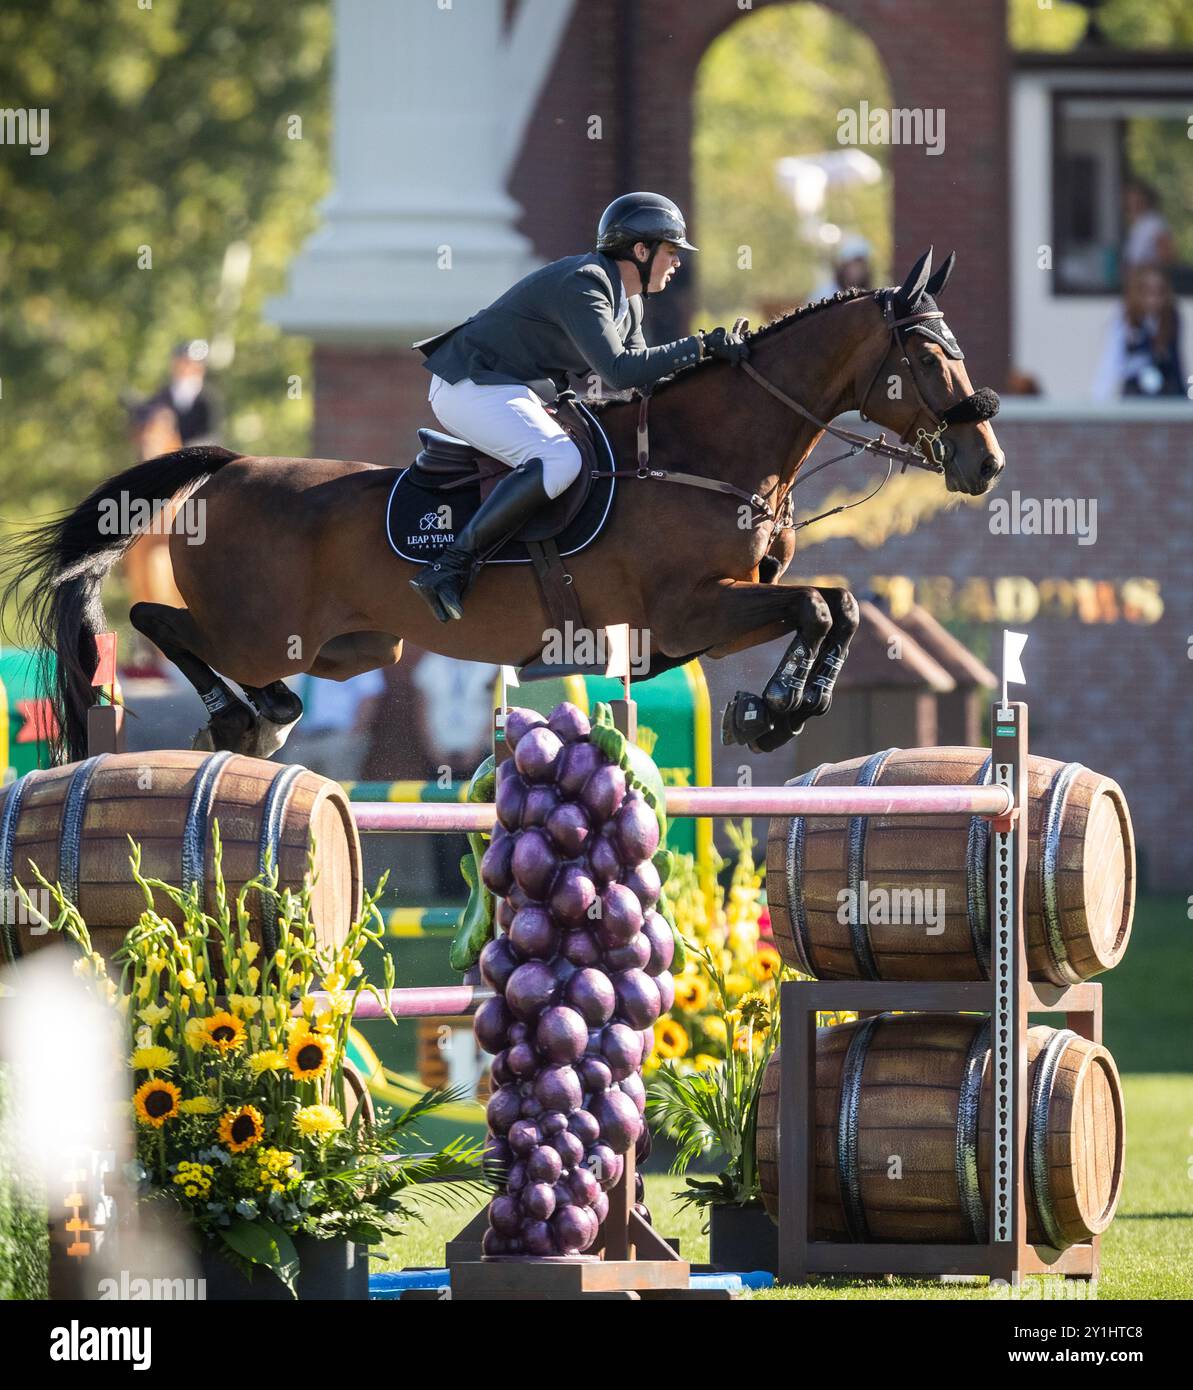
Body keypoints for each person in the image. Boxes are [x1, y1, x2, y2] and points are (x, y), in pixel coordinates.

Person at [408, 192, 750, 622]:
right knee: (558, 456)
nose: (678, 262)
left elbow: (644, 381)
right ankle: (449, 567)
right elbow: (620, 371)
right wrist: (699, 345)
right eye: (671, 251)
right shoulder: (585, 282)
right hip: (471, 385)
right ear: (641, 251)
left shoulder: (631, 301)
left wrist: (717, 369)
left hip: (508, 387)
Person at [1092, 263, 1186, 401]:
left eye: (1159, 292)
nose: (1153, 299)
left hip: (1167, 393)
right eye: (1147, 292)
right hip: (1135, 392)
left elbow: (1177, 362)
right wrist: (1098, 399)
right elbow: (1111, 360)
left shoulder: (1171, 317)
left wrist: (1184, 400)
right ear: (1137, 292)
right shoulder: (1125, 315)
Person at [138, 339, 221, 445]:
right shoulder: (163, 395)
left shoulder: (207, 399)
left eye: (190, 363)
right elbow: (144, 416)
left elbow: (211, 434)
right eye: (183, 362)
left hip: (196, 455)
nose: (185, 368)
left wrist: (186, 450)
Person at [1121, 179, 1174, 273]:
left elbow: (1167, 259)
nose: (1133, 201)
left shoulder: (1155, 224)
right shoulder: (1136, 226)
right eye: (1129, 197)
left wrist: (1142, 269)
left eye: (1137, 196)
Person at [810, 233, 875, 303]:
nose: (856, 270)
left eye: (860, 264)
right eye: (852, 264)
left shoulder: (871, 296)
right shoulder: (824, 295)